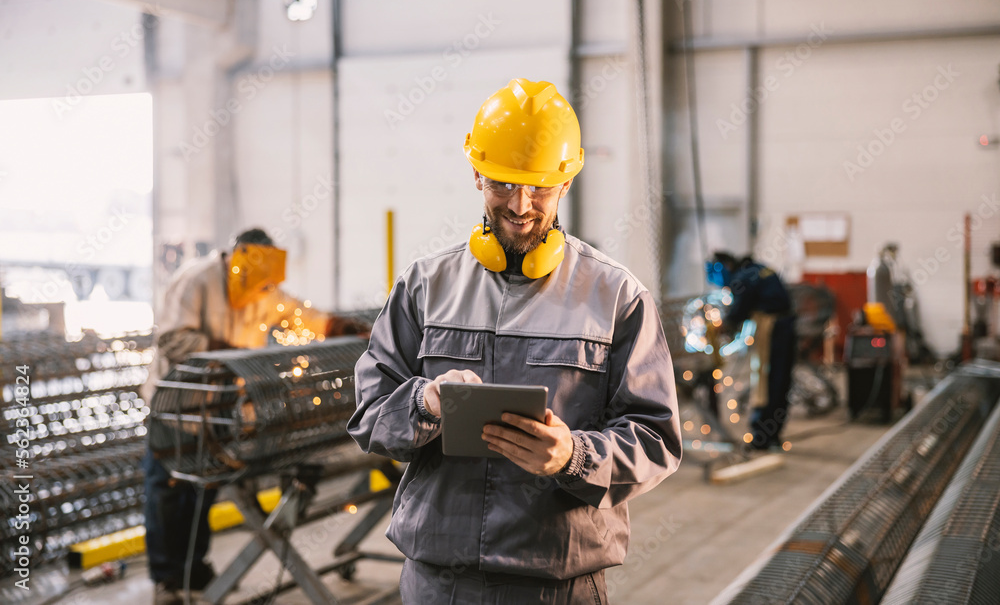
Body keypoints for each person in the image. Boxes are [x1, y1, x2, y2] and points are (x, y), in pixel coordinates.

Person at [348, 78, 682, 604]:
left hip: (558, 583)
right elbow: (368, 414)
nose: (521, 205)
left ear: (566, 184)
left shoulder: (617, 296)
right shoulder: (425, 286)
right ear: (476, 173)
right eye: (503, 184)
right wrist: (424, 403)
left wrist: (574, 455)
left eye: (540, 188)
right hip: (439, 579)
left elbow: (656, 439)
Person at [143, 227, 364, 605]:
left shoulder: (263, 286)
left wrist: (348, 330)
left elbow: (301, 315)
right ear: (235, 259)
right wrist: (232, 357)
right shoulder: (195, 282)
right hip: (175, 409)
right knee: (168, 492)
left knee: (204, 491)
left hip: (220, 409)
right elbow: (172, 339)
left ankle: (195, 570)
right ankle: (167, 580)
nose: (263, 293)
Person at [706, 251, 797, 450]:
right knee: (780, 381)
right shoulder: (757, 269)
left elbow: (739, 309)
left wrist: (724, 326)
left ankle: (761, 438)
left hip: (773, 331)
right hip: (786, 327)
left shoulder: (742, 278)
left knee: (765, 380)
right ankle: (773, 434)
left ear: (726, 267)